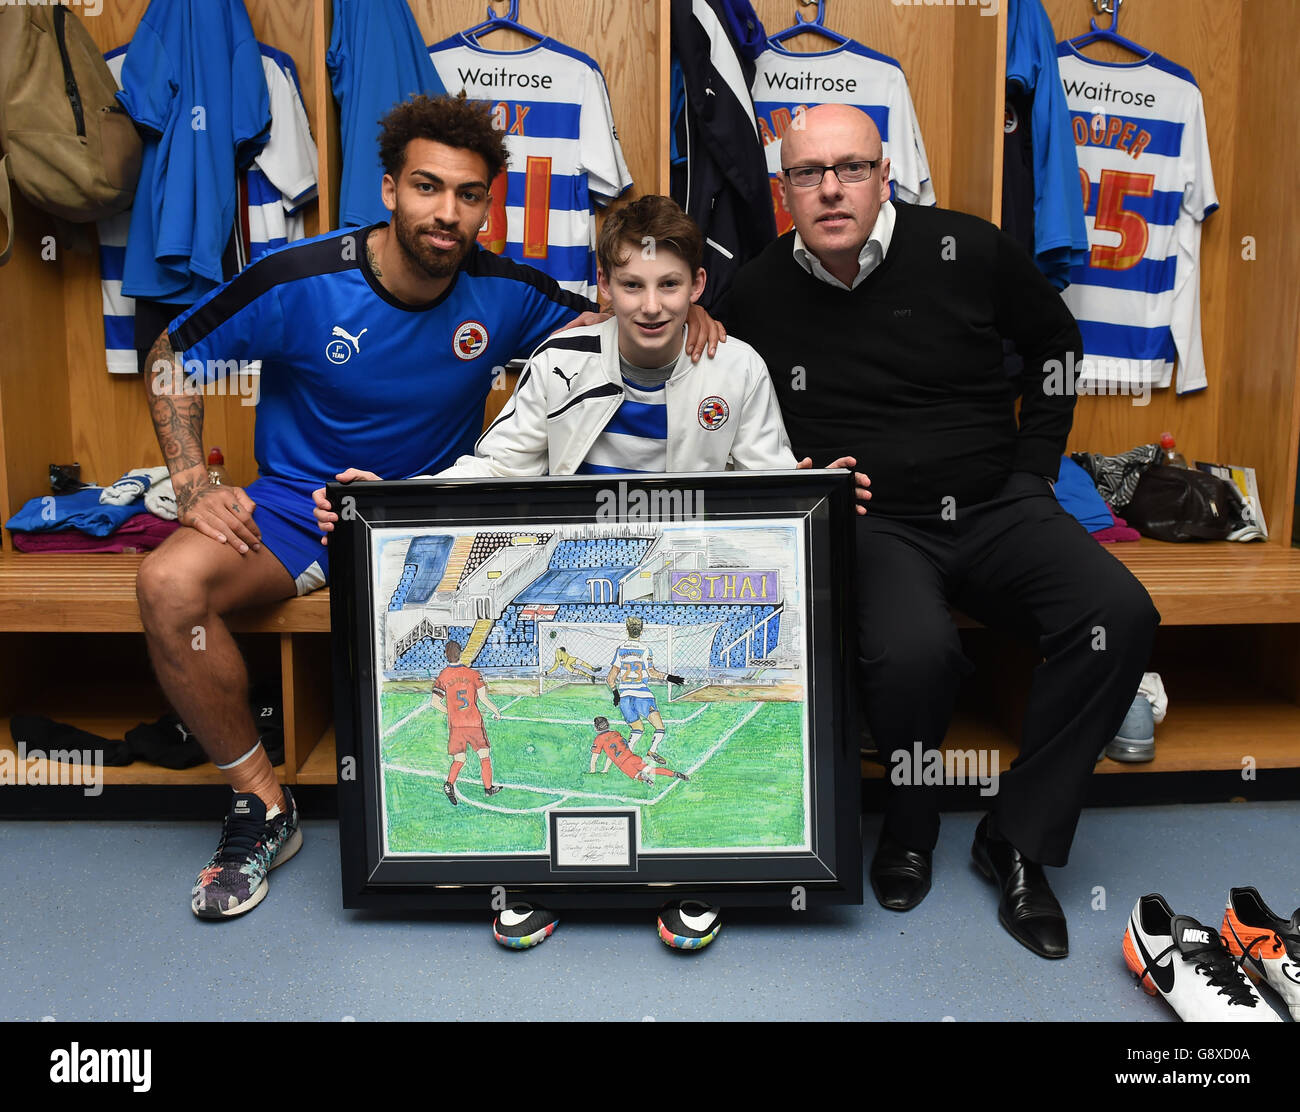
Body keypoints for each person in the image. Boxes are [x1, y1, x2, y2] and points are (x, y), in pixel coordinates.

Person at [137, 92, 725, 921]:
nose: (447, 212)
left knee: (553, 586)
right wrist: (195, 482)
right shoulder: (302, 279)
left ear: (488, 204)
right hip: (301, 509)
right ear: (388, 190)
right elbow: (172, 352)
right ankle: (262, 806)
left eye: (469, 194)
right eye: (427, 187)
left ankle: (553, 851)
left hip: (438, 521)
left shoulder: (506, 292)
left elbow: (618, 316)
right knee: (168, 586)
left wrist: (688, 307)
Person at [314, 193, 869, 950]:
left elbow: (767, 483)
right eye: (631, 285)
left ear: (698, 286)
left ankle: (697, 871)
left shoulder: (736, 368)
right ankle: (535, 873)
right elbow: (493, 469)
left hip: (680, 557)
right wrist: (388, 503)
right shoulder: (558, 362)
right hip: (576, 545)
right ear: (603, 287)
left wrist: (821, 494)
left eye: (669, 285)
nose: (650, 305)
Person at [715, 104, 1160, 960]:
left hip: (1001, 506)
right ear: (785, 190)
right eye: (809, 174)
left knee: (1119, 617)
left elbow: (1056, 343)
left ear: (886, 174)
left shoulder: (970, 247)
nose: (832, 188)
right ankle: (910, 828)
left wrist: (1034, 468)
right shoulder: (759, 288)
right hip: (877, 523)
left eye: (851, 168)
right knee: (912, 651)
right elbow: (716, 385)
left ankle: (1019, 840)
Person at [430, 639, 503, 806]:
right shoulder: (473, 674)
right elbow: (483, 698)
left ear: (446, 655)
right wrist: (496, 711)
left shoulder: (443, 675)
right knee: (484, 755)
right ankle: (488, 788)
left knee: (459, 759)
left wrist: (451, 712)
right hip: (474, 723)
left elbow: (434, 702)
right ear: (460, 653)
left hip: (456, 725)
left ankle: (449, 784)